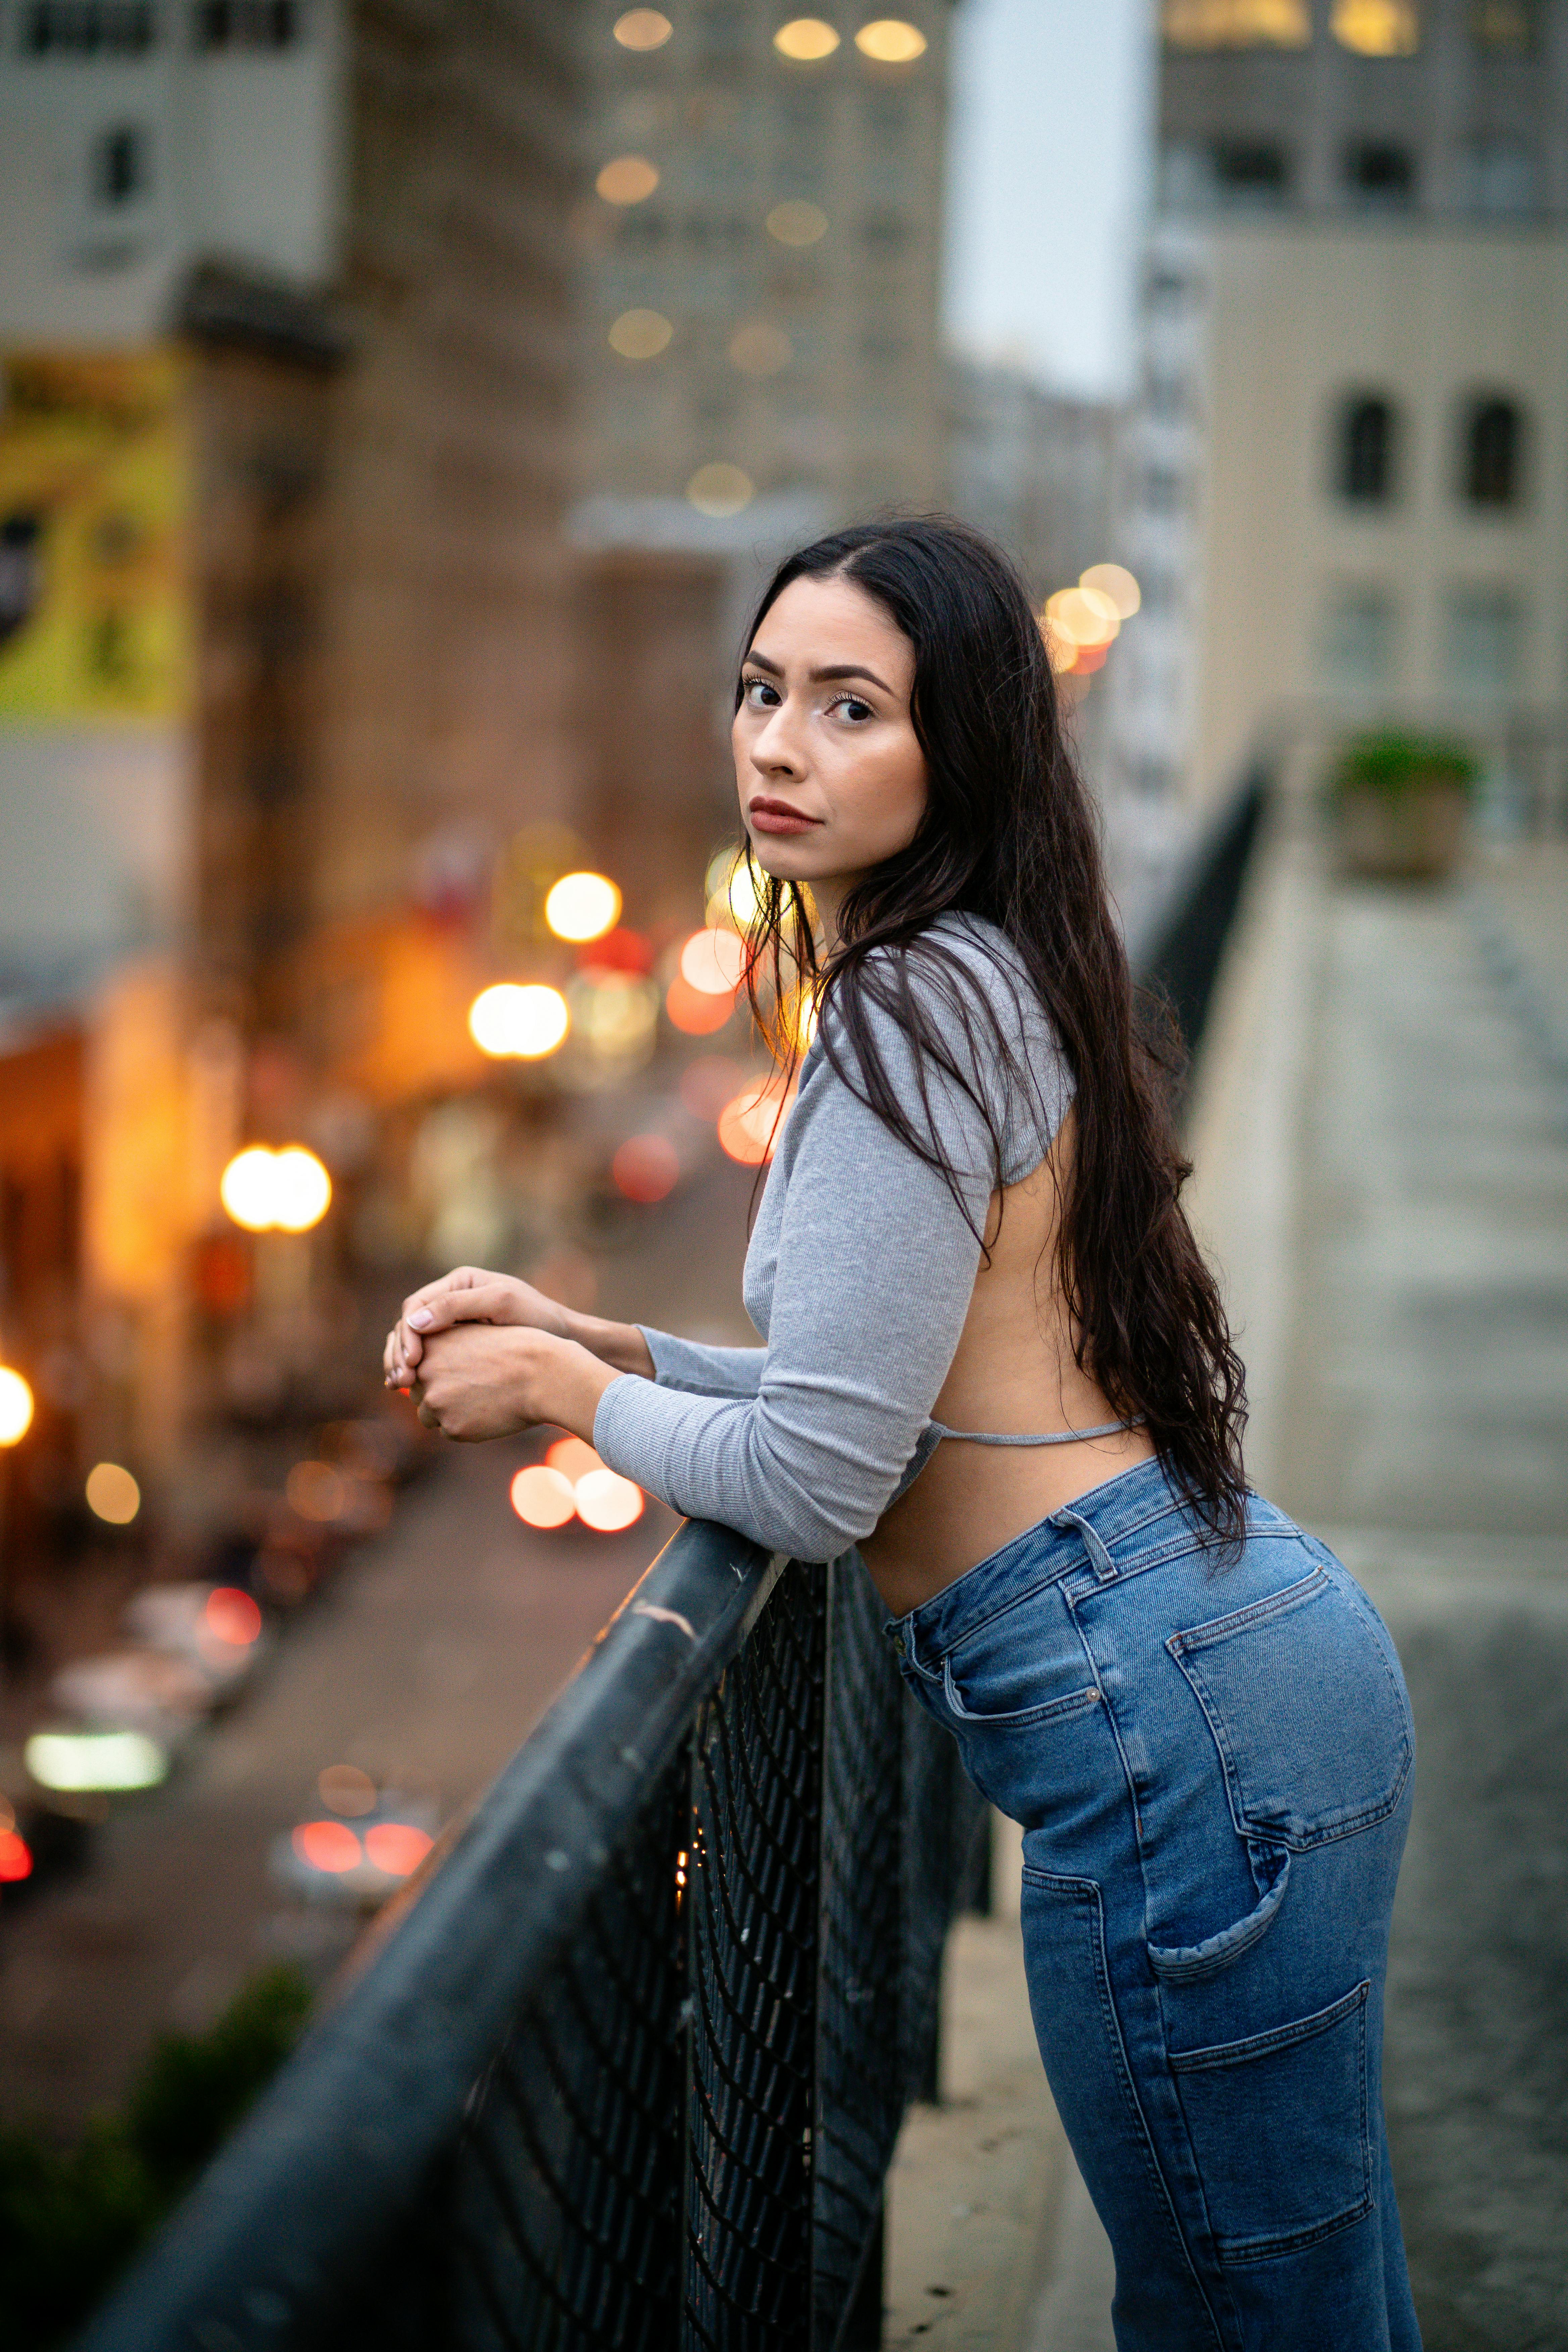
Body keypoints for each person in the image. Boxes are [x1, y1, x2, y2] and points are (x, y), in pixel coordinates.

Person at [383, 518, 1421, 2352]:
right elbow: (876, 1387)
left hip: (1165, 1716)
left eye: (851, 707)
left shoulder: (901, 1022)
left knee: (1248, 2317)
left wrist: (557, 1398)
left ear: (965, 750)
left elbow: (819, 1479)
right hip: (1223, 1657)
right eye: (763, 691)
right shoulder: (992, 972)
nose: (779, 745)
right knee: (1305, 2299)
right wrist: (601, 1335)